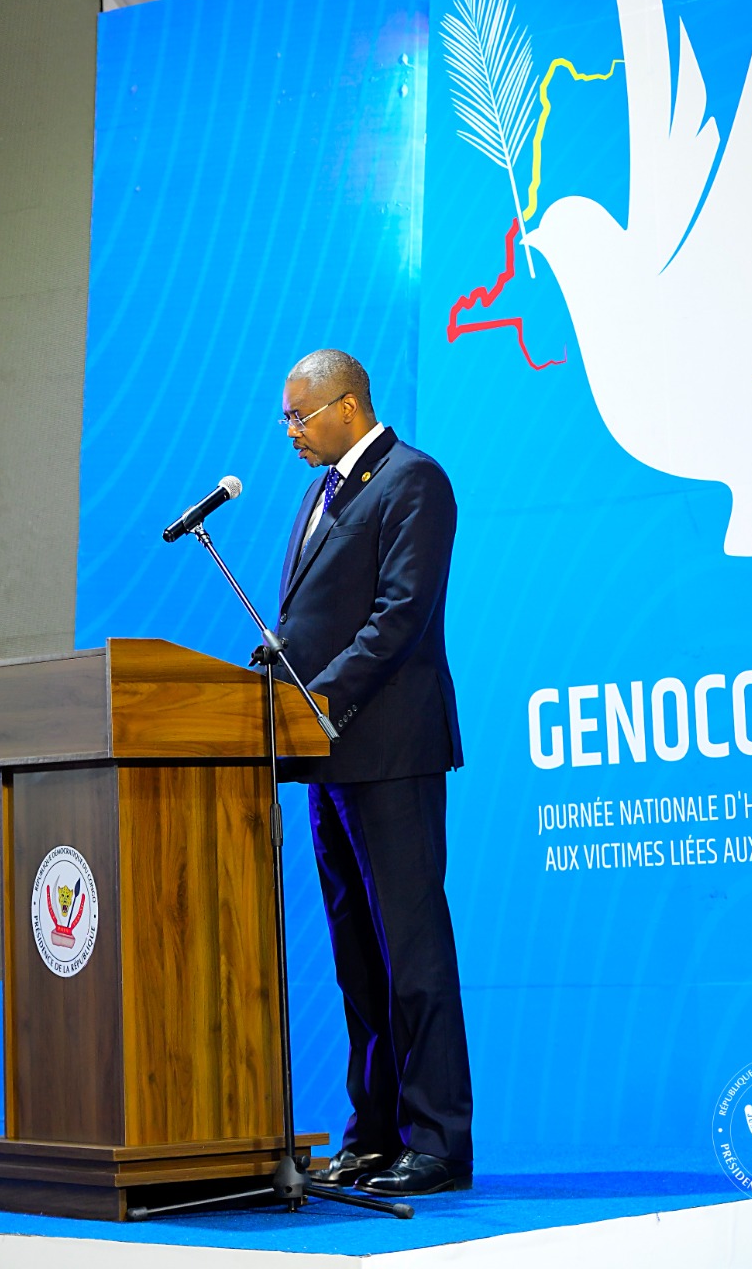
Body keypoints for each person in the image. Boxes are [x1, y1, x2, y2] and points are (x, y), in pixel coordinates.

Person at [275, 348, 472, 1197]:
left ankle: (438, 1139)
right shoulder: (322, 493)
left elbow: (401, 617)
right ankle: (375, 1131)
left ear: (349, 405)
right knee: (358, 954)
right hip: (326, 756)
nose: (290, 432)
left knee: (412, 948)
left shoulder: (413, 480)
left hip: (388, 750)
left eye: (300, 415)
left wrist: (320, 696)